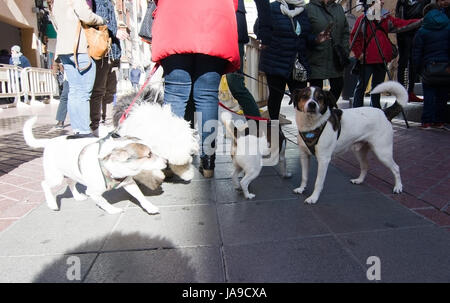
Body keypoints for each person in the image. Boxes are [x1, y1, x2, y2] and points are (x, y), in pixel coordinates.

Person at [151, 0, 241, 178]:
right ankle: (208, 162)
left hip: (175, 22)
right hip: (215, 22)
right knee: (207, 96)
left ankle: (171, 159)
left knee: (175, 94)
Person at [351, 0, 420, 108]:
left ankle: (376, 109)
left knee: (378, 87)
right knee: (361, 87)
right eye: (379, 0)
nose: (382, 2)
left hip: (381, 58)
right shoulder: (363, 19)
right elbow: (355, 38)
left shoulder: (386, 19)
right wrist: (359, 54)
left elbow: (401, 24)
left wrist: (420, 21)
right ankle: (356, 109)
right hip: (367, 59)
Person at [52, 0, 104, 139]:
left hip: (64, 49)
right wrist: (101, 19)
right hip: (80, 49)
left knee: (74, 91)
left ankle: (78, 129)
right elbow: (86, 15)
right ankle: (84, 130)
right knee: (83, 92)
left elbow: (57, 23)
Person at [259, 0, 319, 120]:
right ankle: (275, 131)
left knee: (302, 99)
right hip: (276, 62)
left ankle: (304, 132)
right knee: (276, 98)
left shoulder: (303, 11)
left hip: (297, 65)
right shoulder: (272, 8)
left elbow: (306, 37)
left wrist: (316, 39)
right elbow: (259, 29)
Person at [90, 0, 129, 135]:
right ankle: (96, 124)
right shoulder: (98, 2)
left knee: (110, 91)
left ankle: (106, 121)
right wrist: (115, 30)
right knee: (99, 90)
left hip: (113, 52)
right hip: (102, 51)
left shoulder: (109, 2)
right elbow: (99, 20)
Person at [412, 3, 449, 129]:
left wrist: (418, 69)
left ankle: (427, 121)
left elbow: (417, 53)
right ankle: (439, 121)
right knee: (443, 95)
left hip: (429, 67)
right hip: (446, 66)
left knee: (429, 95)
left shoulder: (422, 31)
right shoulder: (448, 27)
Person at [225, 0, 264, 118]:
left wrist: (264, 30)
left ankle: (257, 124)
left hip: (234, 29)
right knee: (203, 87)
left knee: (236, 85)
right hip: (210, 29)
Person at [305, 0, 349, 101]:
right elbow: (303, 34)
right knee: (316, 91)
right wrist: (316, 39)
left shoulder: (338, 8)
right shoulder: (308, 9)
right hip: (316, 58)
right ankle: (319, 112)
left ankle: (327, 110)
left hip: (335, 59)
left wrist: (344, 50)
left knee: (338, 85)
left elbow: (345, 32)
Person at [395, 0, 431, 102]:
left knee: (414, 63)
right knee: (403, 62)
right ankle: (401, 93)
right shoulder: (402, 1)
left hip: (417, 33)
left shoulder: (424, 1)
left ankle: (410, 92)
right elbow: (399, 16)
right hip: (404, 33)